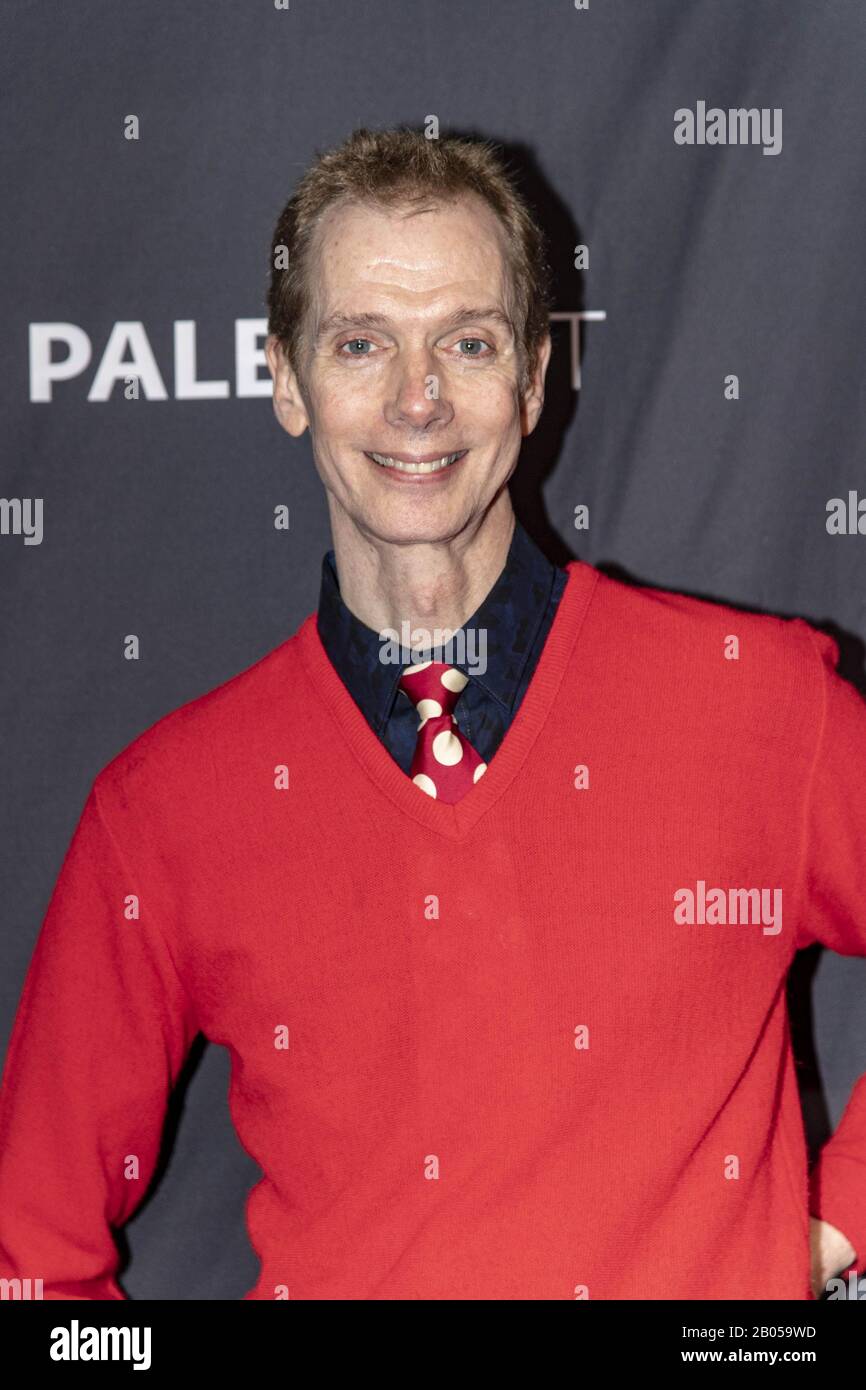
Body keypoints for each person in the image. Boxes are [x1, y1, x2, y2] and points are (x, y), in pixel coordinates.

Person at [0, 126, 863, 1301]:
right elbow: (33, 1257)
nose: (418, 399)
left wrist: (825, 1232)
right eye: (361, 344)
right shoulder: (163, 811)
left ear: (533, 378)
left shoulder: (753, 700)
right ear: (285, 381)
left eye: (466, 340)